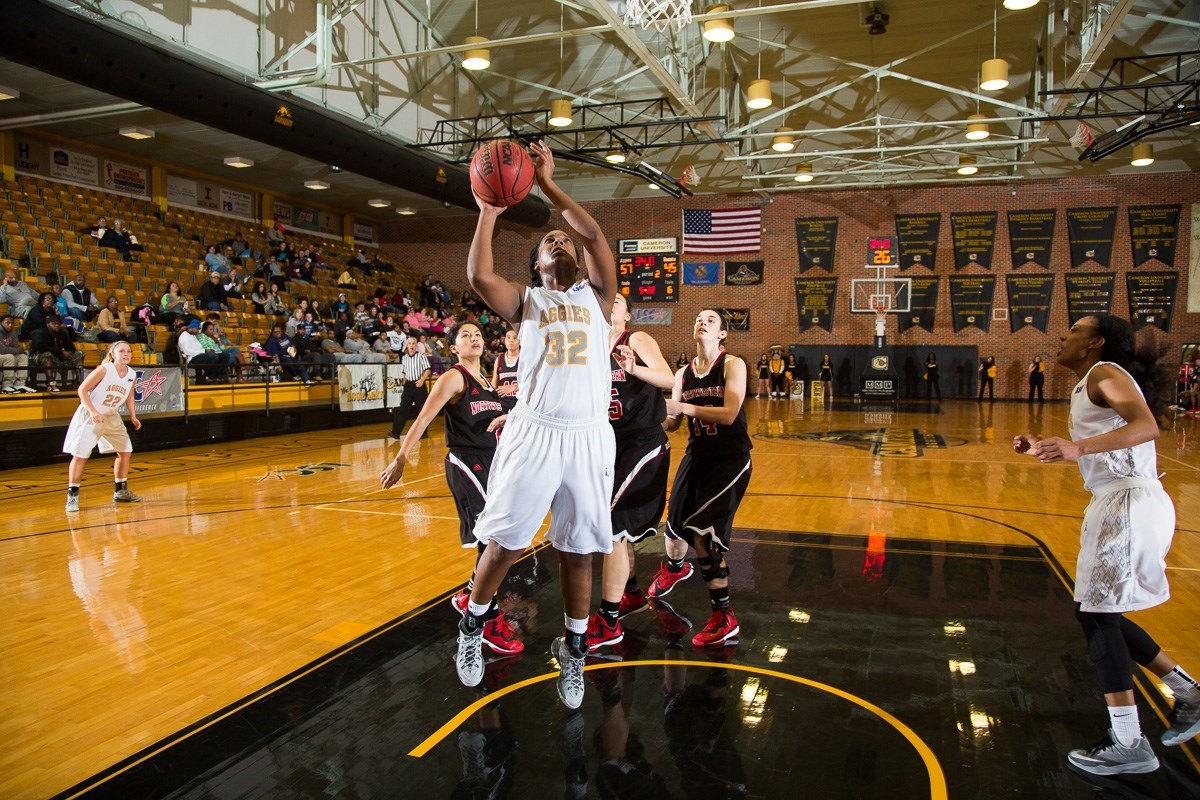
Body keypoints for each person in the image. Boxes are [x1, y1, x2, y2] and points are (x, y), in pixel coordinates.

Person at [455, 140, 617, 712]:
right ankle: (472, 627)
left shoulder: (599, 298)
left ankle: (574, 650)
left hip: (589, 435)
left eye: (563, 238)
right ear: (539, 266)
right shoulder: (527, 302)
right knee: (503, 543)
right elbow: (479, 275)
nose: (562, 240)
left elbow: (595, 237)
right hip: (538, 431)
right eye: (551, 240)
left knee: (579, 552)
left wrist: (549, 185)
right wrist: (488, 210)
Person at [1013, 314, 1200, 774]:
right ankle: (1190, 692)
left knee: (1096, 616)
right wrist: (1046, 448)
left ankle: (1130, 742)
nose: (1063, 336)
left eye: (1073, 330)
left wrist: (1077, 449)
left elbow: (1147, 427)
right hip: (1121, 501)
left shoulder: (1105, 373)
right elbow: (1110, 447)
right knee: (1099, 613)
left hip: (1129, 504)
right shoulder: (1089, 384)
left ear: (1095, 342)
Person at [380, 322, 521, 655]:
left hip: (493, 464)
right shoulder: (454, 377)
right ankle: (487, 620)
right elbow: (423, 418)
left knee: (496, 539)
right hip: (466, 463)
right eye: (465, 336)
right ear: (454, 348)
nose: (474, 338)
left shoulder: (489, 381)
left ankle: (470, 594)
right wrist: (401, 457)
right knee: (494, 540)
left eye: (477, 335)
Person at [586, 291, 675, 653]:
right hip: (608, 446)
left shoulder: (635, 338)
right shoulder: (589, 346)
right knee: (616, 530)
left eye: (617, 302)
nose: (609, 305)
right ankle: (632, 593)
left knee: (611, 528)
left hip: (643, 444)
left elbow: (669, 379)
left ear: (627, 314)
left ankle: (607, 622)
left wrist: (634, 367)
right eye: (604, 300)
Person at [661, 309, 752, 649]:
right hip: (696, 457)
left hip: (730, 460)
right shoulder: (682, 373)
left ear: (722, 334)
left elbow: (729, 414)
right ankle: (673, 568)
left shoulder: (733, 365)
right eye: (698, 318)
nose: (702, 322)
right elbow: (670, 424)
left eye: (711, 320)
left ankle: (724, 616)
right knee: (673, 530)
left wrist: (683, 408)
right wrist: (649, 414)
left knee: (704, 536)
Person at [62, 341, 143, 512]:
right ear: (113, 354)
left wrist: (133, 415)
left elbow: (129, 395)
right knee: (81, 455)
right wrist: (92, 411)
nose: (126, 354)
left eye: (129, 351)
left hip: (111, 415)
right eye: (122, 351)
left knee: (125, 450)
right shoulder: (104, 369)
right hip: (91, 415)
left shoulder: (132, 374)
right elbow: (82, 390)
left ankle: (120, 491)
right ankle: (72, 496)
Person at [388, 336, 431, 440]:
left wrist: (422, 380)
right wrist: (404, 380)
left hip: (419, 385)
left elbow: (428, 370)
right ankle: (395, 432)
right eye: (409, 343)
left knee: (422, 411)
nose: (411, 345)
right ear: (407, 345)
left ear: (416, 345)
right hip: (408, 386)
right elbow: (404, 371)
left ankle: (423, 433)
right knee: (402, 409)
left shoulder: (421, 356)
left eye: (413, 343)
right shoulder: (404, 358)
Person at [30, 314, 83, 392]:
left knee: (79, 353)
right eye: (54, 324)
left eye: (58, 324)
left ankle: (79, 382)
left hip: (57, 357)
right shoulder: (39, 333)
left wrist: (69, 353)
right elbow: (41, 347)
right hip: (38, 357)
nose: (57, 325)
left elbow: (71, 347)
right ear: (48, 324)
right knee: (47, 355)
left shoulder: (62, 333)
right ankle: (51, 383)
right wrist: (61, 352)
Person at [0, 314, 34, 393]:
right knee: (9, 357)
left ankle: (20, 383)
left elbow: (18, 348)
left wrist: (15, 350)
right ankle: (7, 385)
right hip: (4, 357)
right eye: (7, 323)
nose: (10, 325)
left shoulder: (12, 333)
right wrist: (15, 350)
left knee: (22, 356)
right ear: (1, 323)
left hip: (5, 357)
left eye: (12, 323)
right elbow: (1, 350)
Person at [492, 327, 521, 411]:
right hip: (503, 405)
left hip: (521, 405)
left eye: (515, 338)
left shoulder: (525, 358)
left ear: (520, 340)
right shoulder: (498, 359)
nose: (511, 340)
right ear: (504, 340)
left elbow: (533, 384)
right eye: (508, 337)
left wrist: (515, 387)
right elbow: (494, 384)